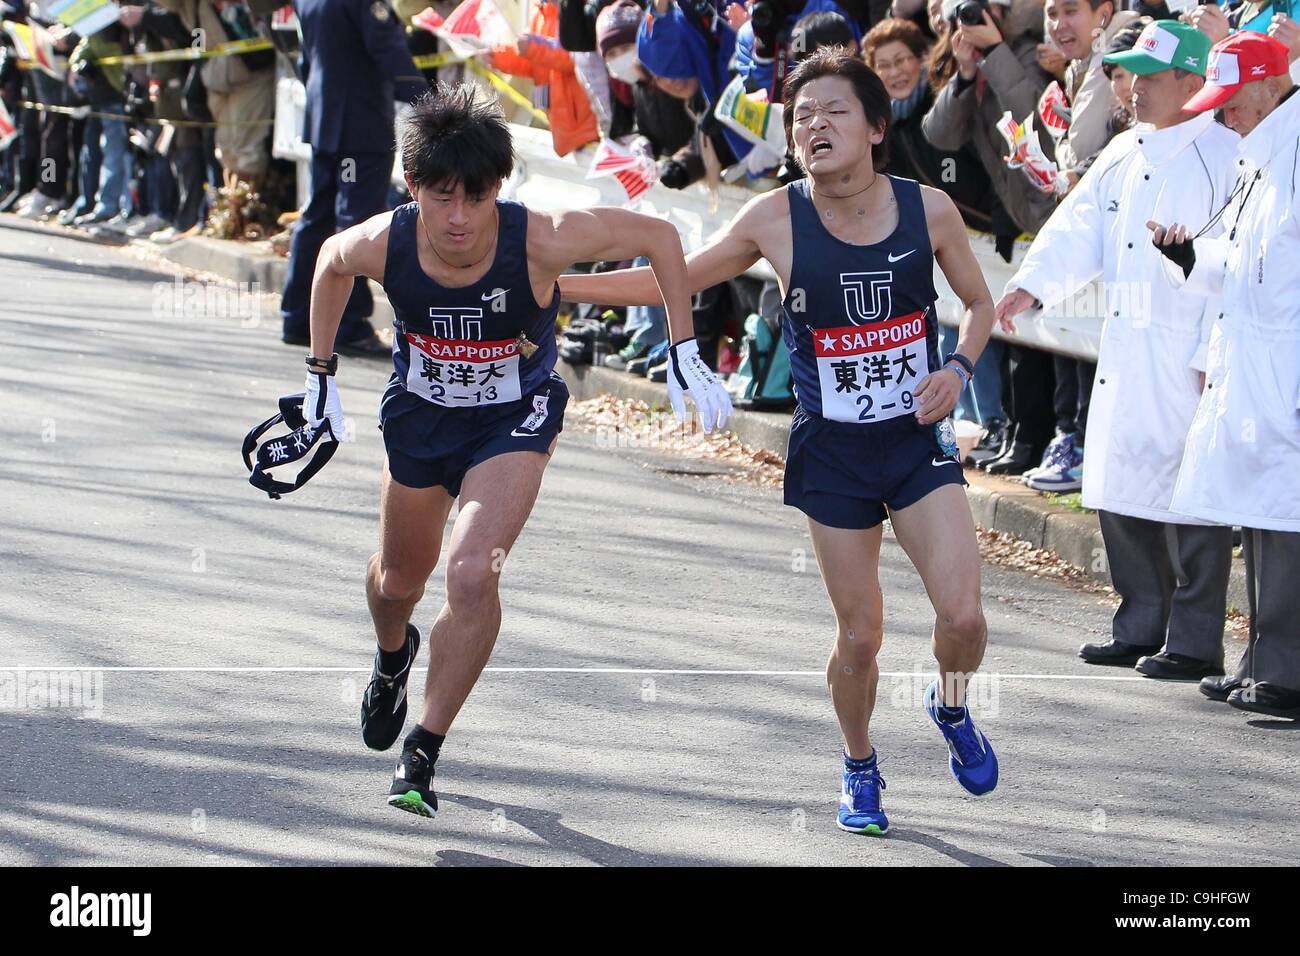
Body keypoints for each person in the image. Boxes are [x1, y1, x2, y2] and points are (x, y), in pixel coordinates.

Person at [560, 47, 1000, 834]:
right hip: (833, 453)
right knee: (861, 634)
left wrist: (958, 368)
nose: (815, 126)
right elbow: (677, 279)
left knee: (962, 621)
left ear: (874, 126)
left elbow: (978, 304)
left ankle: (953, 706)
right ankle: (860, 763)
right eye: (801, 118)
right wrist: (557, 286)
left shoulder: (928, 209)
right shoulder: (772, 218)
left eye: (834, 111)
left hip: (916, 440)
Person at [293, 84, 732, 816]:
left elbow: (660, 239)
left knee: (471, 572)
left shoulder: (544, 236)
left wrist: (685, 348)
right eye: (441, 197)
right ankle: (394, 654)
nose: (460, 218)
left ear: (502, 186)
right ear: (413, 187)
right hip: (421, 418)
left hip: (514, 419)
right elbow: (331, 264)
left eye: (477, 197)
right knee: (398, 581)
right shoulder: (385, 240)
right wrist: (319, 378)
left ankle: (422, 752)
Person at [998, 20, 1239, 680]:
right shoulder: (1123, 152)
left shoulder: (1224, 156)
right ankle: (1138, 623)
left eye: (1151, 77)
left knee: (1190, 498)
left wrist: (1210, 357)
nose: (1134, 89)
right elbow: (1077, 226)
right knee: (1119, 484)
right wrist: (1032, 285)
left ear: (1192, 80)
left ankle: (1193, 641)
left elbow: (1230, 267)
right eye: (1130, 75)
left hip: (1186, 346)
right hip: (1126, 341)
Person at [1148, 31, 1300, 719]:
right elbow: (1243, 264)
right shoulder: (1259, 159)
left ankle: (1285, 669)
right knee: (1260, 515)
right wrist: (1190, 258)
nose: (1222, 114)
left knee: (1287, 517)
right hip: (1256, 367)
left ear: (1270, 84)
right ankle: (1264, 658)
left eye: (1231, 99)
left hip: (1286, 368)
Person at [279, 0, 429, 357]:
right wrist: (427, 101)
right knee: (355, 222)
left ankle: (299, 315)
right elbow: (387, 48)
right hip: (358, 120)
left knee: (317, 215)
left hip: (324, 114)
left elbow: (304, 55)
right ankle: (347, 322)